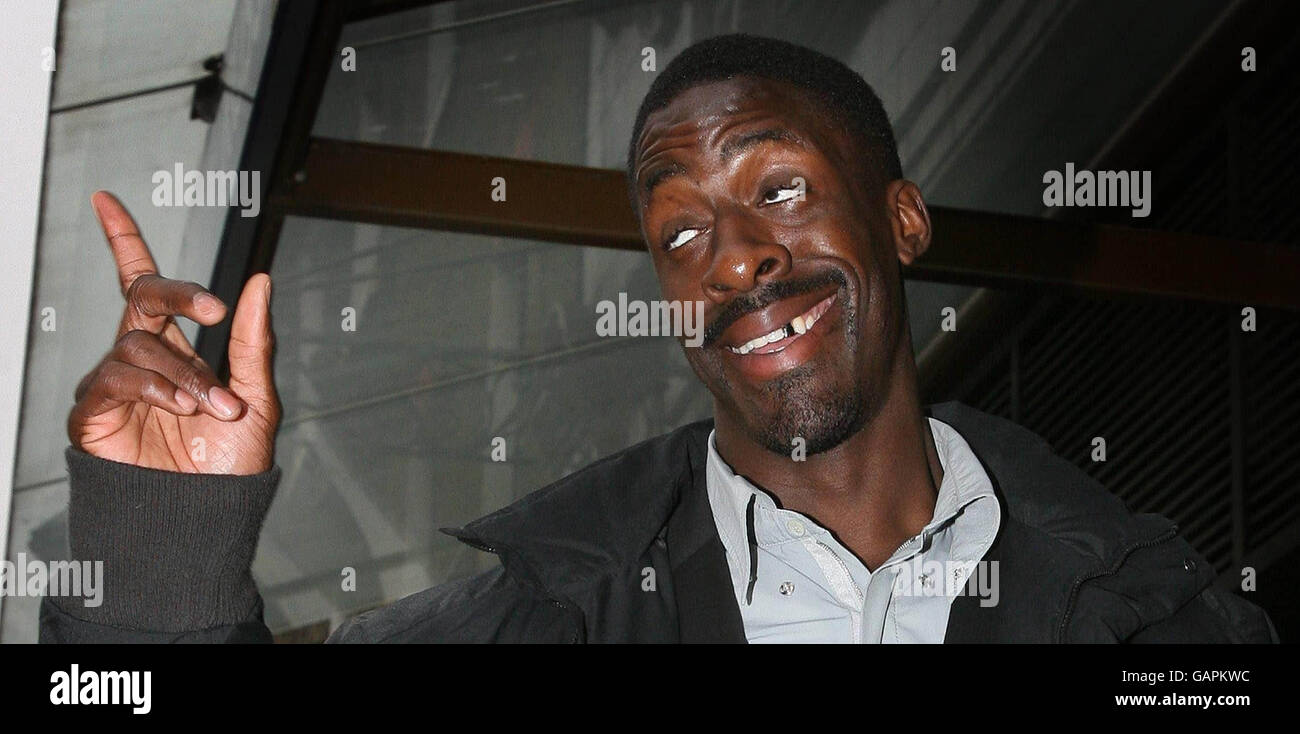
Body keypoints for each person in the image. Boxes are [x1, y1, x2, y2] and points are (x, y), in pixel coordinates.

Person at [42, 34, 1275, 643]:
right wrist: (158, 551)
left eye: (780, 189)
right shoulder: (530, 623)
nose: (734, 256)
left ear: (900, 219)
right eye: (680, 234)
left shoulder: (1169, 624)